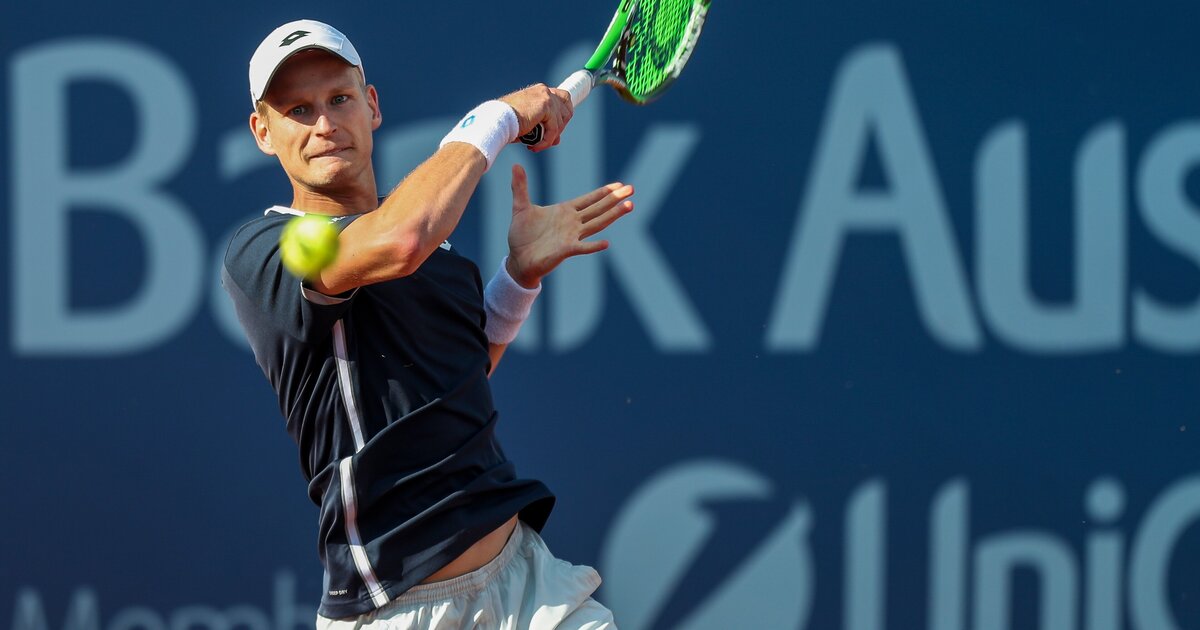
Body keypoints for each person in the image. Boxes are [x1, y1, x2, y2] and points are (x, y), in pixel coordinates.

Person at [222, 19, 633, 629]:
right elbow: (402, 238)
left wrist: (518, 277)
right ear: (263, 132)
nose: (325, 124)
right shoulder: (266, 251)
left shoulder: (438, 254)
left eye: (339, 99)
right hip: (398, 607)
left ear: (372, 105)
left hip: (527, 581)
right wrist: (497, 116)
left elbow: (463, 372)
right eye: (298, 111)